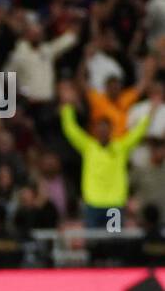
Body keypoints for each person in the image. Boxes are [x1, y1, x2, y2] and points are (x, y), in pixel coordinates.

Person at [58, 79, 162, 230]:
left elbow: (138, 132)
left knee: (114, 241)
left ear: (111, 131)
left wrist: (151, 112)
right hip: (92, 203)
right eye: (99, 128)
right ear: (95, 131)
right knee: (92, 243)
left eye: (105, 128)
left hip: (114, 204)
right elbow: (71, 129)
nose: (102, 131)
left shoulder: (120, 147)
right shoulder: (88, 146)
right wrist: (67, 107)